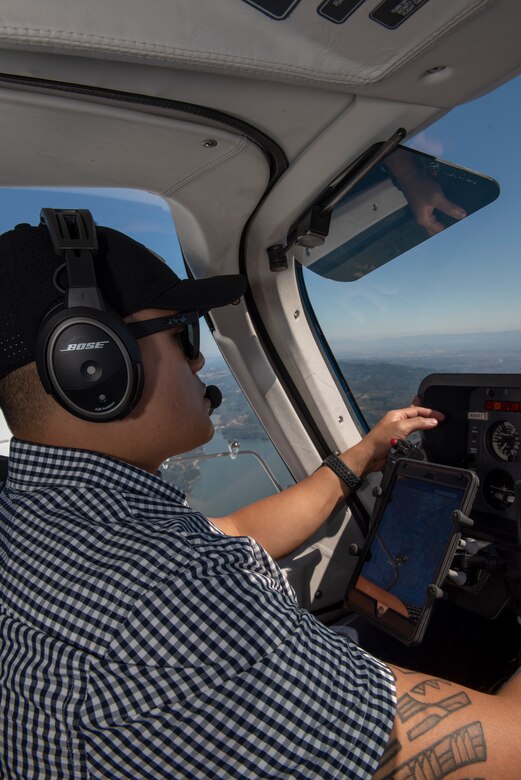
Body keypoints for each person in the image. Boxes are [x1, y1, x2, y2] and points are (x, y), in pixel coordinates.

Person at [0, 214, 519, 780]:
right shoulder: (170, 602)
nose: (198, 360)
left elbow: (230, 533)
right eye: (182, 333)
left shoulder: (45, 517)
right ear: (94, 365)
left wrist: (359, 456)